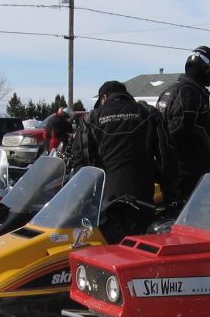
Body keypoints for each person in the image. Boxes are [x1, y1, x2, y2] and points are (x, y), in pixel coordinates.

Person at [68, 80, 160, 241]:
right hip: (142, 195)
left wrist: (83, 198)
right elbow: (165, 155)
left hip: (107, 200)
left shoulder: (91, 118)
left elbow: (82, 162)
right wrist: (172, 192)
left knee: (111, 250)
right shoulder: (147, 113)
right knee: (139, 248)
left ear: (104, 97)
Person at [155, 45, 210, 203]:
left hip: (178, 171)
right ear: (205, 68)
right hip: (188, 175)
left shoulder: (172, 90)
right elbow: (179, 128)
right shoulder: (190, 92)